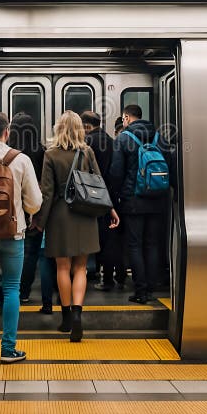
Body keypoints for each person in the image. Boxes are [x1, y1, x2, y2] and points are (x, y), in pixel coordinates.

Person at [33, 111, 119, 342]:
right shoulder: (87, 151)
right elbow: (98, 183)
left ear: (58, 128)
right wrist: (110, 209)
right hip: (85, 213)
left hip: (60, 215)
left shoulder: (50, 154)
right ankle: (78, 314)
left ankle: (66, 319)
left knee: (62, 267)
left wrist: (40, 222)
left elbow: (47, 192)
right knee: (80, 267)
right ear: (80, 129)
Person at [0, 112, 42, 362]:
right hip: (14, 232)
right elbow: (34, 203)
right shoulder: (21, 160)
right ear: (7, 132)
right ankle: (8, 348)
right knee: (12, 288)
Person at [109, 104, 168, 304]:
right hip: (158, 198)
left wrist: (114, 199)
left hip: (133, 201)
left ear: (126, 118)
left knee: (134, 245)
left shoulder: (123, 138)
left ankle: (140, 290)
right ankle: (151, 287)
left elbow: (116, 173)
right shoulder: (159, 137)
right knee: (152, 244)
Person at [12, 113, 56, 313]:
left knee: (7, 253)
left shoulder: (9, 153)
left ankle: (4, 291)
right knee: (30, 254)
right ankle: (24, 292)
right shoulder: (41, 152)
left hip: (10, 211)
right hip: (34, 210)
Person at [81, 111, 119, 290]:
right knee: (108, 239)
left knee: (91, 235)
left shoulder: (88, 142)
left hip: (90, 196)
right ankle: (107, 277)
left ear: (87, 126)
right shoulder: (111, 140)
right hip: (108, 195)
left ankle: (92, 271)